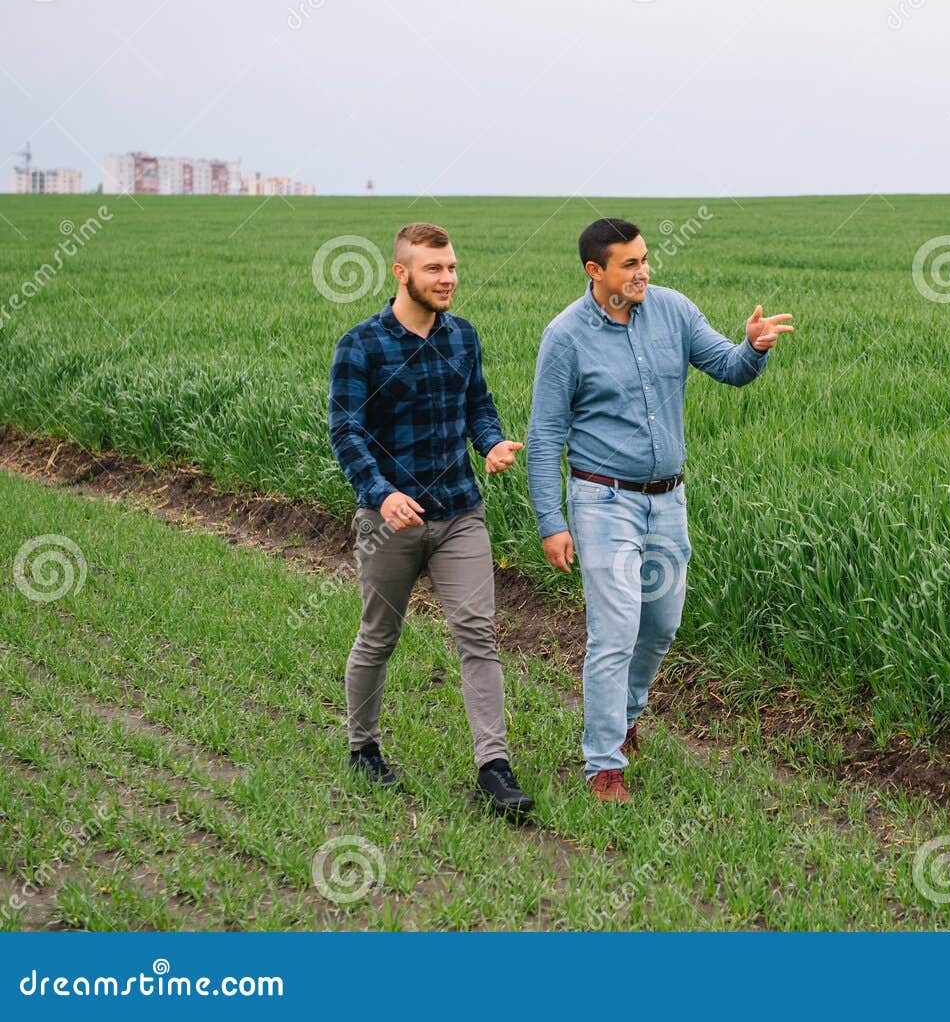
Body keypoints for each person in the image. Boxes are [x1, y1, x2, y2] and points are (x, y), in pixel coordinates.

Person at [527, 217, 794, 801]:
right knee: (615, 629)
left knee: (662, 623)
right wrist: (552, 521)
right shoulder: (566, 336)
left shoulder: (672, 311)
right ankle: (603, 763)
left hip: (667, 500)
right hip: (601, 501)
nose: (643, 271)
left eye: (645, 259)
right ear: (596, 271)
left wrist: (752, 346)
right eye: (629, 263)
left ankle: (624, 717)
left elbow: (729, 368)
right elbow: (546, 436)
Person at [328, 221, 533, 818]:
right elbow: (347, 431)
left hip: (459, 512)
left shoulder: (463, 337)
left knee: (479, 633)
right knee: (378, 638)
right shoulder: (361, 345)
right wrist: (380, 491)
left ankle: (493, 768)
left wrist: (490, 443)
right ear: (402, 273)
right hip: (389, 520)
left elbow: (478, 405)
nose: (447, 280)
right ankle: (363, 748)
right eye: (434, 270)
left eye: (452, 269)